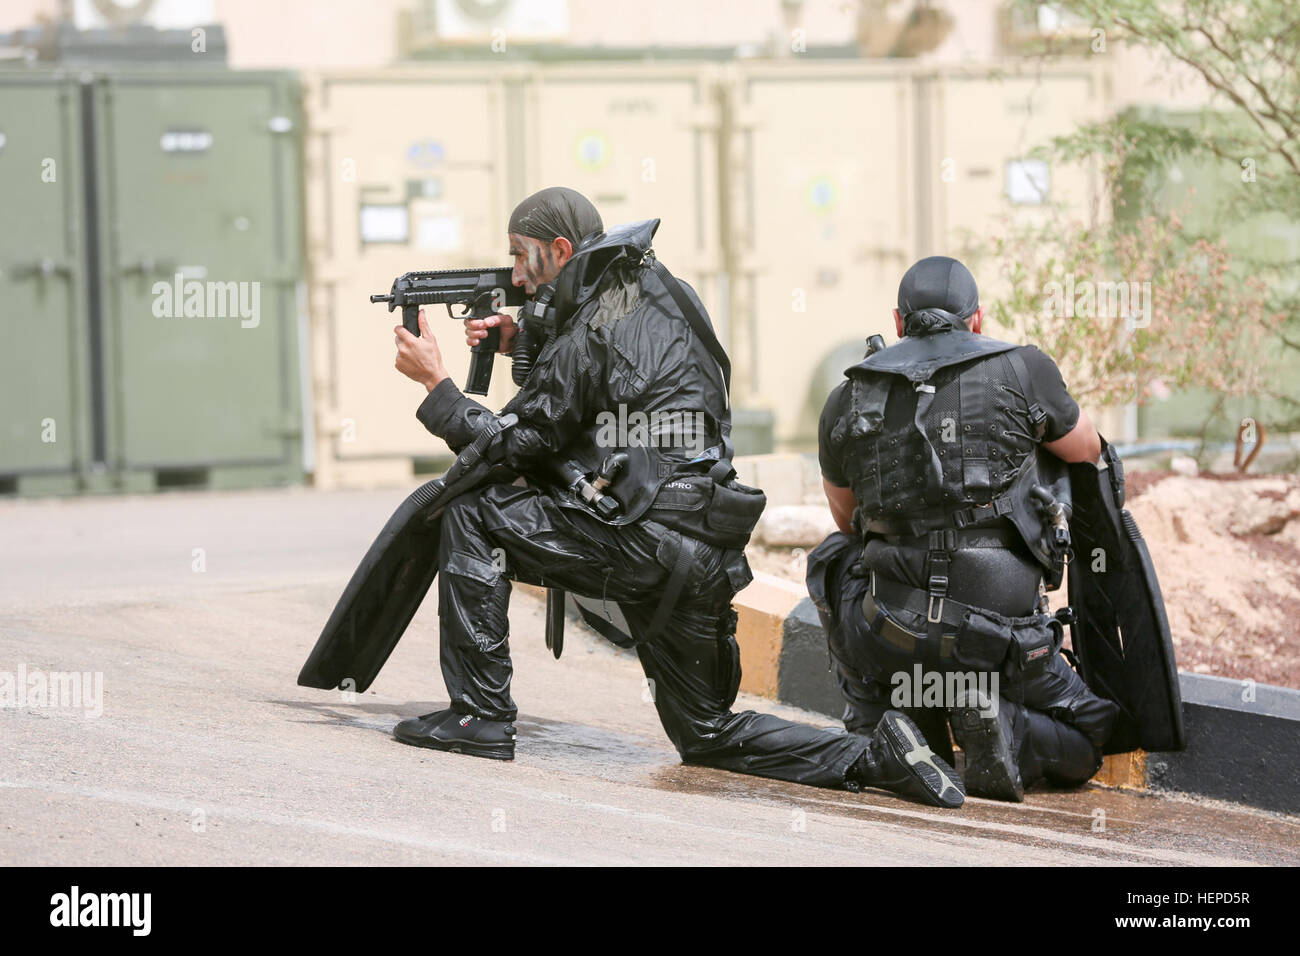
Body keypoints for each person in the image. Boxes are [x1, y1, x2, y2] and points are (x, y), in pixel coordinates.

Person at [388, 186, 964, 808]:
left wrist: (439, 387)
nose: (518, 277)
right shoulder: (661, 292)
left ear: (560, 249)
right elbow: (604, 378)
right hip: (705, 539)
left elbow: (516, 444)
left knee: (472, 511)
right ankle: (878, 755)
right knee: (708, 734)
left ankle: (479, 717)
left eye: (522, 258)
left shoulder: (590, 325)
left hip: (643, 537)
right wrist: (520, 336)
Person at [808, 255, 1120, 801]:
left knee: (833, 557)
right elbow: (1088, 449)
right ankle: (1006, 723)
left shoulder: (845, 397)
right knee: (1090, 736)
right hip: (1003, 635)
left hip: (892, 627)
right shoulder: (1025, 368)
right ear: (977, 320)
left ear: (899, 323)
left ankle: (882, 716)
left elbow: (846, 518)